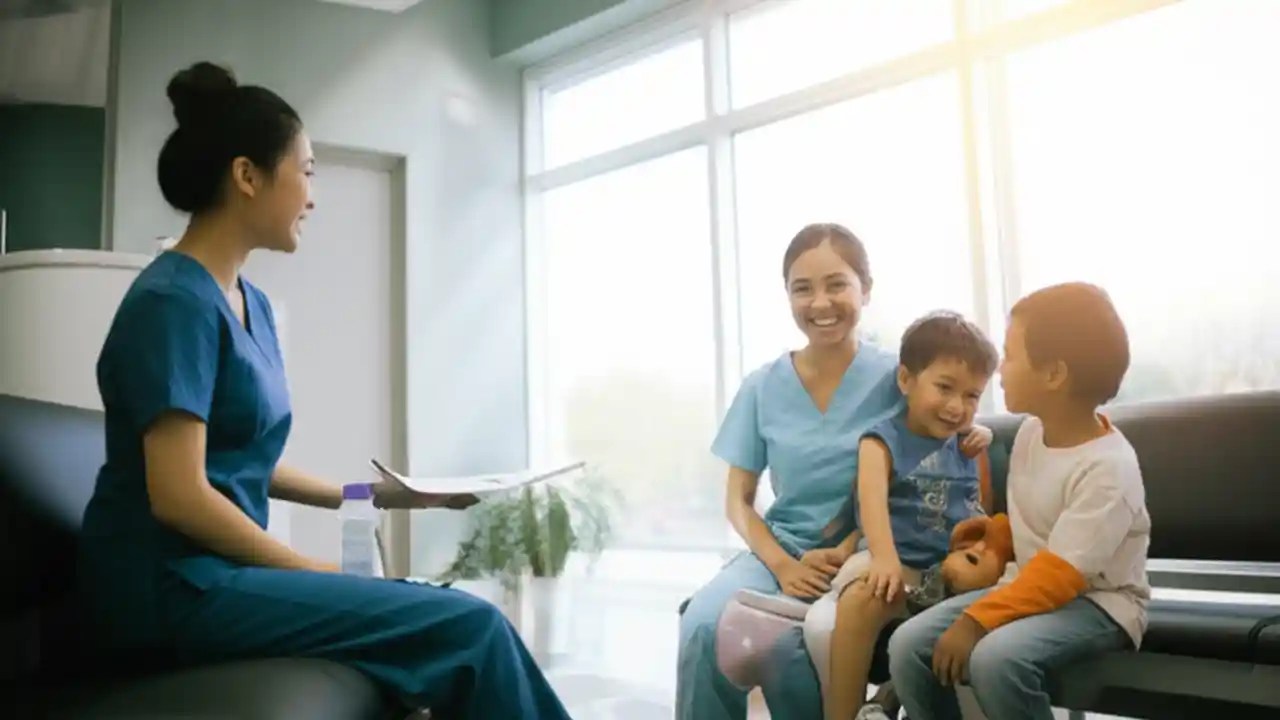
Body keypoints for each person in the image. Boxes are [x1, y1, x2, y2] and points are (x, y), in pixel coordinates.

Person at [76, 61, 572, 719]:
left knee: (438, 620)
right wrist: (310, 571)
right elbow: (181, 496)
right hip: (167, 589)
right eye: (306, 170)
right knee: (468, 626)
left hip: (211, 579)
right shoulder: (172, 302)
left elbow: (239, 459)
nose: (313, 195)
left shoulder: (244, 299)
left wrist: (379, 495)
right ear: (247, 175)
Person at [675, 224, 990, 720]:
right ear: (788, 297)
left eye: (836, 284)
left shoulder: (897, 375)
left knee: (790, 643)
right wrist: (783, 565)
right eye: (802, 288)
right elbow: (738, 498)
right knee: (702, 625)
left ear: (866, 288)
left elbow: (949, 423)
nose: (820, 302)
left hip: (867, 552)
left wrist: (979, 435)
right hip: (779, 549)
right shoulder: (762, 386)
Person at [887, 282, 1151, 720]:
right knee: (908, 644)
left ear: (1054, 374)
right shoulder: (1032, 433)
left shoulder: (1108, 469)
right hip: (1031, 587)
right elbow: (1040, 524)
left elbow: (1060, 575)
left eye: (1009, 355)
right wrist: (994, 536)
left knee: (996, 659)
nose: (999, 371)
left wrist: (974, 622)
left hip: (1100, 604)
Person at [808, 311, 1002, 720]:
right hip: (900, 565)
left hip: (951, 576)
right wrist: (884, 559)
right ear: (905, 381)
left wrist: (983, 434)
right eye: (945, 388)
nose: (956, 406)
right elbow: (872, 504)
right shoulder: (881, 442)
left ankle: (887, 702)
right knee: (863, 599)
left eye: (972, 396)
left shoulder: (968, 445)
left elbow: (979, 516)